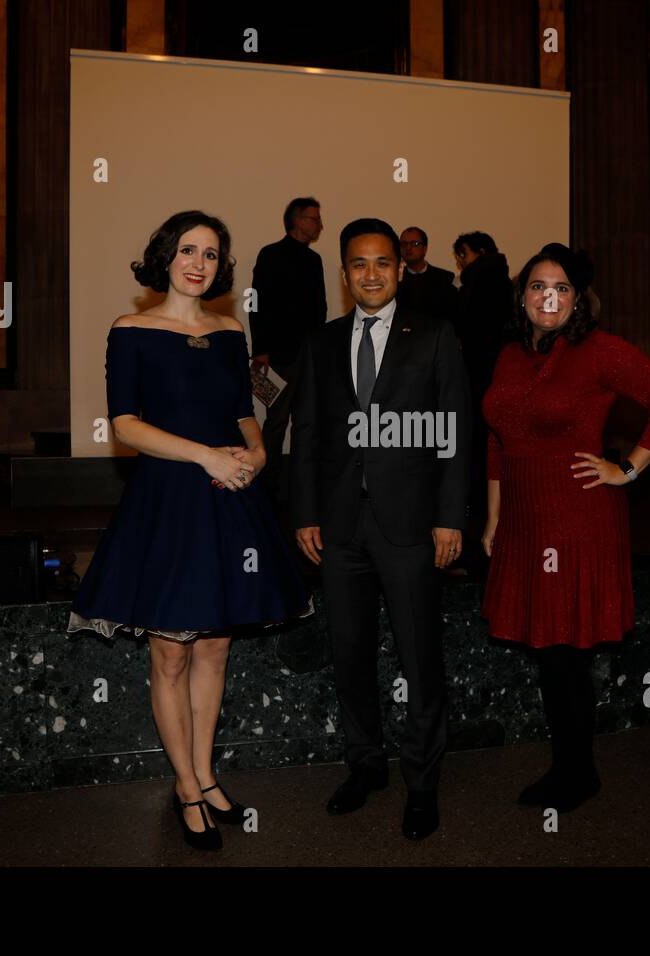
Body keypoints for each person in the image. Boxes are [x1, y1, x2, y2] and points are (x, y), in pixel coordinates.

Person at [68, 210, 311, 851]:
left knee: (215, 646)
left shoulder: (231, 332)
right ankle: (183, 785)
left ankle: (206, 773)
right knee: (171, 649)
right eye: (187, 250)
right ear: (164, 258)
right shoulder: (132, 329)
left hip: (231, 493)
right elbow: (125, 423)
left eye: (209, 253)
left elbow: (243, 412)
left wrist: (255, 455)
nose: (198, 262)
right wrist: (205, 456)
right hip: (169, 497)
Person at [480, 246, 650, 811]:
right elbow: (497, 443)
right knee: (548, 650)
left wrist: (626, 467)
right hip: (522, 521)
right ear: (522, 295)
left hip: (575, 518)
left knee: (563, 651)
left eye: (562, 287)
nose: (549, 296)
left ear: (579, 299)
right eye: (538, 285)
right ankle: (571, 766)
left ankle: (577, 772)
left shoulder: (601, 351)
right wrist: (494, 516)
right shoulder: (508, 357)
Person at [289, 218, 471, 840]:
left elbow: (455, 435)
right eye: (359, 264)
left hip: (413, 527)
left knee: (420, 658)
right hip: (339, 530)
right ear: (344, 274)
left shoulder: (437, 336)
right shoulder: (321, 342)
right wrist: (305, 512)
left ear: (400, 269)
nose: (371, 274)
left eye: (383, 263)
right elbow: (307, 434)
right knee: (350, 656)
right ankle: (365, 765)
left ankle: (422, 782)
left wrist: (451, 517)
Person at [249, 197, 328, 504]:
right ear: (297, 220)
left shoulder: (314, 260)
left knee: (307, 421)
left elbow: (319, 307)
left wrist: (319, 349)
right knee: (277, 420)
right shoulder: (270, 255)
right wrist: (261, 350)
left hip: (308, 354)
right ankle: (267, 485)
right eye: (314, 218)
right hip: (277, 355)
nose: (319, 225)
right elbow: (257, 304)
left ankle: (301, 485)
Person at [451, 231, 514, 567]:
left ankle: (479, 506)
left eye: (463, 254)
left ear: (479, 252)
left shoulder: (480, 282)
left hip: (481, 374)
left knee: (480, 439)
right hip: (491, 373)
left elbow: (472, 329)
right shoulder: (500, 281)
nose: (460, 262)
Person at [396, 226, 457, 322]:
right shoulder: (394, 279)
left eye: (414, 243)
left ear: (425, 248)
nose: (408, 248)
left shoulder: (444, 278)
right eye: (404, 244)